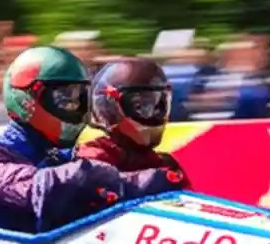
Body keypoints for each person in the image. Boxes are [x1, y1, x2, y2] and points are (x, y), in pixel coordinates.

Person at [0, 46, 183, 233]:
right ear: (27, 98)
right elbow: (36, 188)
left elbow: (106, 173)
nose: (76, 108)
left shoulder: (67, 156)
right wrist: (100, 178)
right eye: (66, 99)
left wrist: (159, 171)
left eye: (81, 98)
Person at [76, 57, 189, 189]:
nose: (153, 113)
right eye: (140, 106)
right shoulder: (92, 159)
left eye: (159, 104)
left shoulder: (164, 162)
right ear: (109, 110)